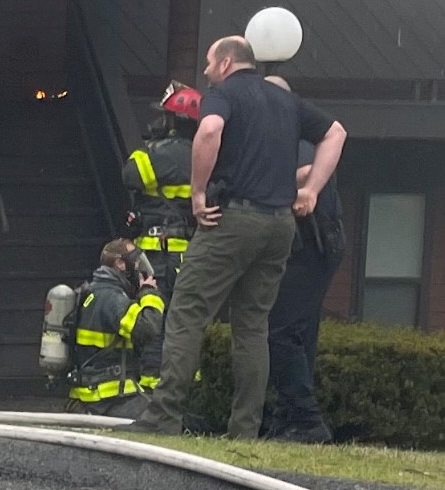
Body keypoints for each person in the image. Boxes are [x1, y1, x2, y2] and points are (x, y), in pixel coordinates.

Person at [132, 36, 346, 440]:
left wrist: (198, 194)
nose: (208, 72)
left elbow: (210, 130)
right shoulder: (284, 101)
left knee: (188, 311)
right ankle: (244, 428)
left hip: (233, 219)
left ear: (227, 63)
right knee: (252, 324)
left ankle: (162, 416)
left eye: (211, 64)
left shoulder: (224, 95)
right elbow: (335, 133)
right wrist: (312, 189)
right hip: (280, 224)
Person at [262, 76, 347, 443]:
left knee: (278, 329)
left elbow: (307, 170)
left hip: (310, 242)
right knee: (299, 330)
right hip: (314, 242)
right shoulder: (299, 133)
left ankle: (306, 418)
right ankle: (289, 417)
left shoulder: (293, 135)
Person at [68, 238, 166, 418]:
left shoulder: (97, 291)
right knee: (167, 418)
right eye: (136, 262)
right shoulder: (111, 298)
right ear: (120, 263)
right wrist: (149, 293)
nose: (139, 268)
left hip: (95, 396)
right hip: (108, 400)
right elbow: (147, 329)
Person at [123, 83, 200, 304]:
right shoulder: (207, 155)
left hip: (154, 254)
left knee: (152, 312)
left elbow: (130, 175)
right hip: (192, 255)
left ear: (173, 120)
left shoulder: (155, 155)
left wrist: (153, 146)